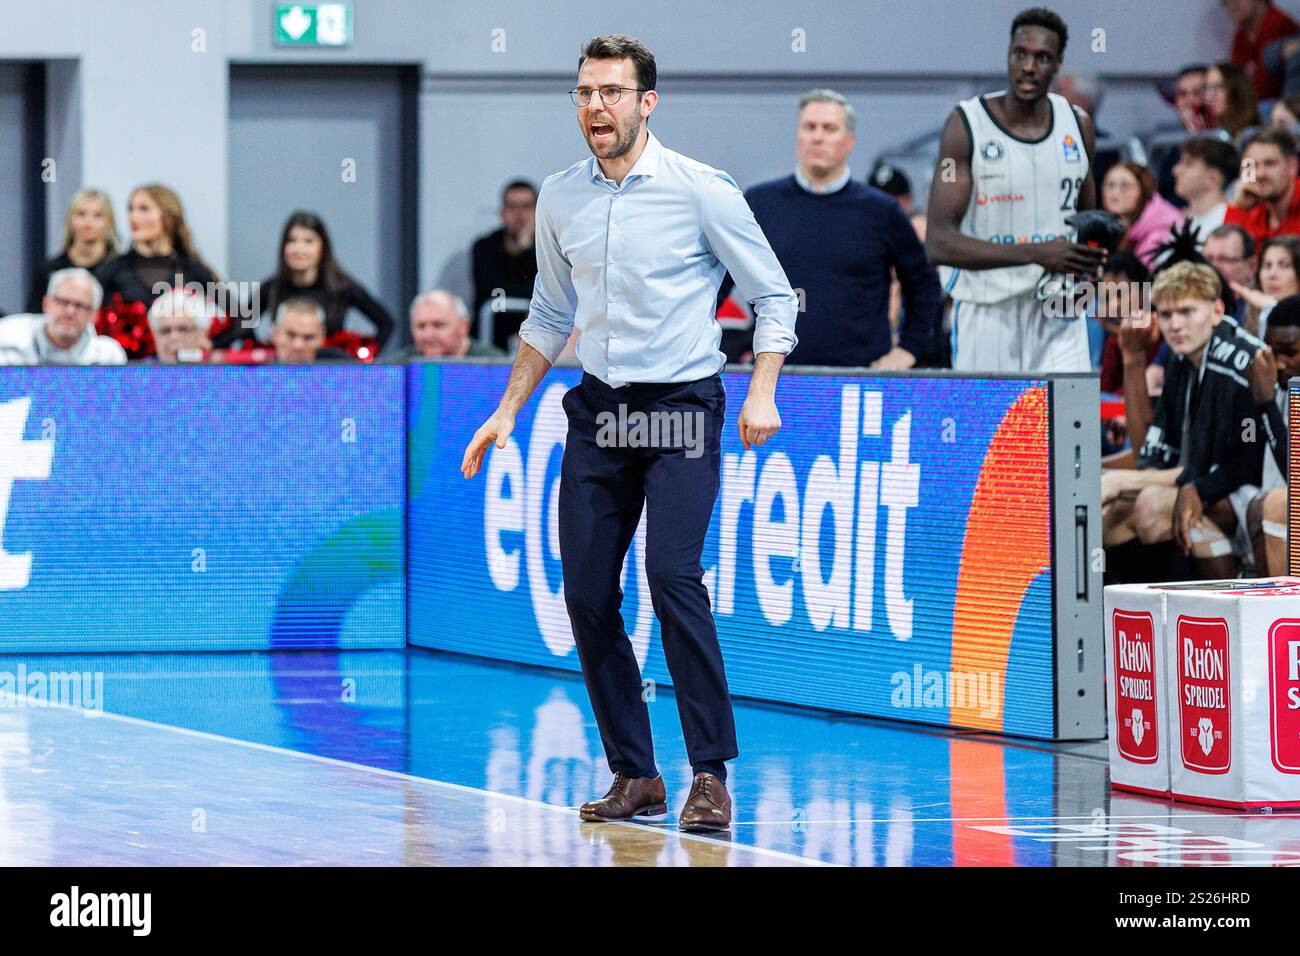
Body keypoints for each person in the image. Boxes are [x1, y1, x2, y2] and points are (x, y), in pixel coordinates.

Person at [461, 34, 798, 833]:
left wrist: (762, 391)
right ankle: (636, 774)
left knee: (673, 578)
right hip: (600, 408)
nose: (595, 107)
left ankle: (710, 774)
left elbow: (774, 297)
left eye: (611, 92)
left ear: (647, 101)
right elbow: (549, 313)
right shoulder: (558, 197)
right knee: (584, 592)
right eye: (584, 93)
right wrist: (508, 407)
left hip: (682, 405)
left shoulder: (700, 190)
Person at [926, 6, 1105, 372]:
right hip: (989, 311)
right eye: (1020, 54)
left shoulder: (1078, 124)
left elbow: (1087, 221)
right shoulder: (966, 124)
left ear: (1057, 65)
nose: (1028, 66)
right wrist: (1036, 253)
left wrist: (1097, 256)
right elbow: (938, 243)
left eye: (1042, 58)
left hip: (1059, 310)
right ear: (1008, 55)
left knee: (1066, 427)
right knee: (988, 429)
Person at [744, 89, 940, 369]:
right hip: (775, 378)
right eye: (809, 127)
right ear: (798, 135)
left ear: (850, 141)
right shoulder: (760, 203)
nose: (818, 136)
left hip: (861, 381)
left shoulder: (881, 211)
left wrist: (909, 349)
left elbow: (924, 285)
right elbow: (718, 280)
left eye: (830, 129)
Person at [1101, 262, 1263, 582]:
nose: (1175, 325)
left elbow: (1248, 462)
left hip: (1252, 487)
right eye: (1166, 314)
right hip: (1205, 479)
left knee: (1150, 504)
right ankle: (1139, 621)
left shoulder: (1241, 361)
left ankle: (1206, 607)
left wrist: (1122, 481)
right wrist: (1132, 358)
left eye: (1187, 312)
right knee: (1111, 517)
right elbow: (1157, 449)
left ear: (1216, 311)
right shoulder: (1180, 358)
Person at [213, 211, 394, 352]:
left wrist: (361, 358)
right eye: (292, 241)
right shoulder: (271, 288)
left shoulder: (342, 287)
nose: (299, 249)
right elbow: (241, 327)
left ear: (322, 247)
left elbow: (386, 323)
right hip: (284, 376)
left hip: (328, 374)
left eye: (308, 241)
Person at [95, 184, 217, 312]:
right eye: (131, 209)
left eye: (144, 209)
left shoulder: (192, 270)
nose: (133, 217)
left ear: (168, 216)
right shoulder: (113, 270)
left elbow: (236, 316)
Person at [1245, 293, 1299, 576]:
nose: (1278, 363)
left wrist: (1266, 404)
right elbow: (1246, 447)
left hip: (1284, 504)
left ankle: (1283, 613)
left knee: (1267, 507)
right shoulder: (1271, 380)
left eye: (1289, 352)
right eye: (1272, 351)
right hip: (1268, 493)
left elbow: (1296, 476)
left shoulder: (1272, 390)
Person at [0, 268, 126, 366]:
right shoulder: (6, 337)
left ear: (94, 315)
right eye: (63, 302)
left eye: (79, 305)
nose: (70, 311)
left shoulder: (108, 356)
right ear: (46, 304)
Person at [25, 189, 120, 315]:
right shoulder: (48, 271)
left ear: (109, 222)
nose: (88, 222)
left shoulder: (122, 271)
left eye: (98, 215)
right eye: (81, 214)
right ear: (70, 220)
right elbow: (35, 319)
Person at [471, 181, 540, 351]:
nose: (519, 214)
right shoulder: (484, 247)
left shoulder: (549, 248)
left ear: (538, 211)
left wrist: (526, 251)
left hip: (536, 336)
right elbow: (492, 290)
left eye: (526, 206)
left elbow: (547, 290)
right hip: (490, 334)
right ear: (502, 212)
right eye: (512, 207)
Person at [1226, 127, 1300, 250]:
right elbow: (1228, 259)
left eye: (1270, 164)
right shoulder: (1252, 212)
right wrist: (1237, 208)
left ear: (1293, 166)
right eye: (1252, 165)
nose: (1260, 174)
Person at [1102, 162, 1184, 268]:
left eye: (1125, 186)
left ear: (1143, 190)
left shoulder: (1162, 231)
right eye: (1110, 185)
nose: (1115, 193)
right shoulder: (1108, 229)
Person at [390, 290, 506, 359]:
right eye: (421, 326)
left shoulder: (495, 366)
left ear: (463, 326)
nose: (428, 335)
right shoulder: (398, 367)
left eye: (438, 325)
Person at [1225, 0, 1299, 103]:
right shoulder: (1240, 36)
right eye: (1224, 1)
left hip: (1280, 106)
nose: (1231, 3)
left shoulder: (1277, 23)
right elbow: (1234, 82)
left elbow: (1267, 86)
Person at [1172, 137, 1239, 241]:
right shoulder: (1182, 222)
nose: (1176, 171)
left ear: (1212, 178)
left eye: (1188, 164)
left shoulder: (1230, 223)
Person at [1231, 233, 1300, 333]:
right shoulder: (1252, 310)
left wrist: (1271, 309)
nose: (1272, 275)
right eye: (1267, 265)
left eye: (1284, 266)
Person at [145, 288, 219, 364]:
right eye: (165, 331)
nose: (174, 337)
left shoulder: (219, 370)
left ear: (202, 334)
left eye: (183, 329)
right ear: (155, 337)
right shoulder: (140, 371)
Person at [269, 297, 349, 364]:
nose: (298, 346)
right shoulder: (258, 372)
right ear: (275, 333)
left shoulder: (346, 370)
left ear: (321, 337)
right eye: (291, 335)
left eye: (308, 337)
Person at [1203, 61, 1264, 139]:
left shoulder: (1255, 136)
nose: (1208, 96)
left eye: (1217, 87)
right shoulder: (1212, 130)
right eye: (1206, 88)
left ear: (1238, 90)